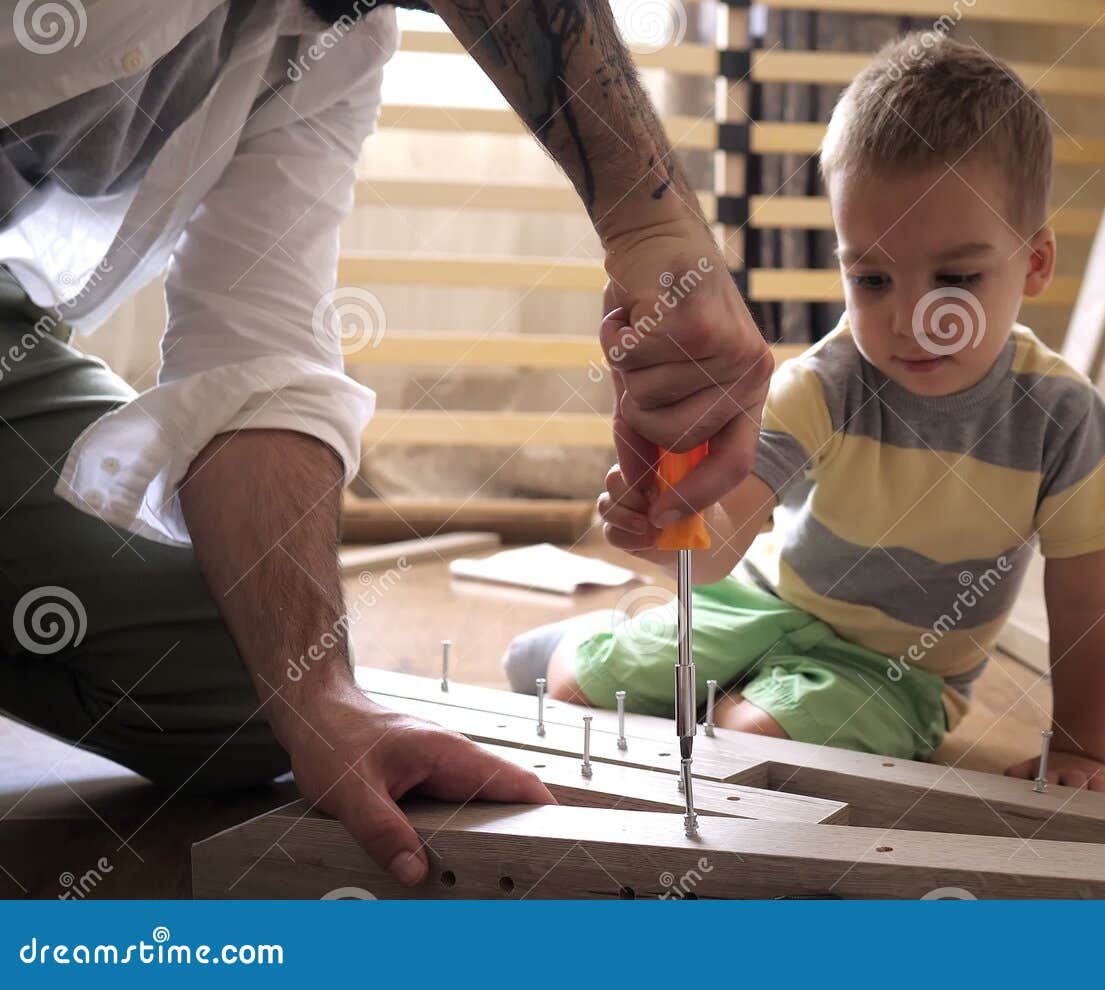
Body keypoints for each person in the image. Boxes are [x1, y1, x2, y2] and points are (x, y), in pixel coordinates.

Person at [0, 0, 770, 887]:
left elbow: (255, 346)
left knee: (244, 688)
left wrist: (321, 696)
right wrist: (646, 215)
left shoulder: (331, 37)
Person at [505, 34, 1105, 794]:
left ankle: (708, 692)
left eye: (958, 276)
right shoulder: (827, 382)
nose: (910, 318)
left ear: (1034, 263)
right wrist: (661, 528)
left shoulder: (1061, 418)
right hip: (752, 605)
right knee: (580, 694)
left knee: (757, 757)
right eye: (872, 278)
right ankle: (591, 647)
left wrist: (1080, 746)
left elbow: (1086, 597)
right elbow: (716, 551)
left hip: (891, 670)